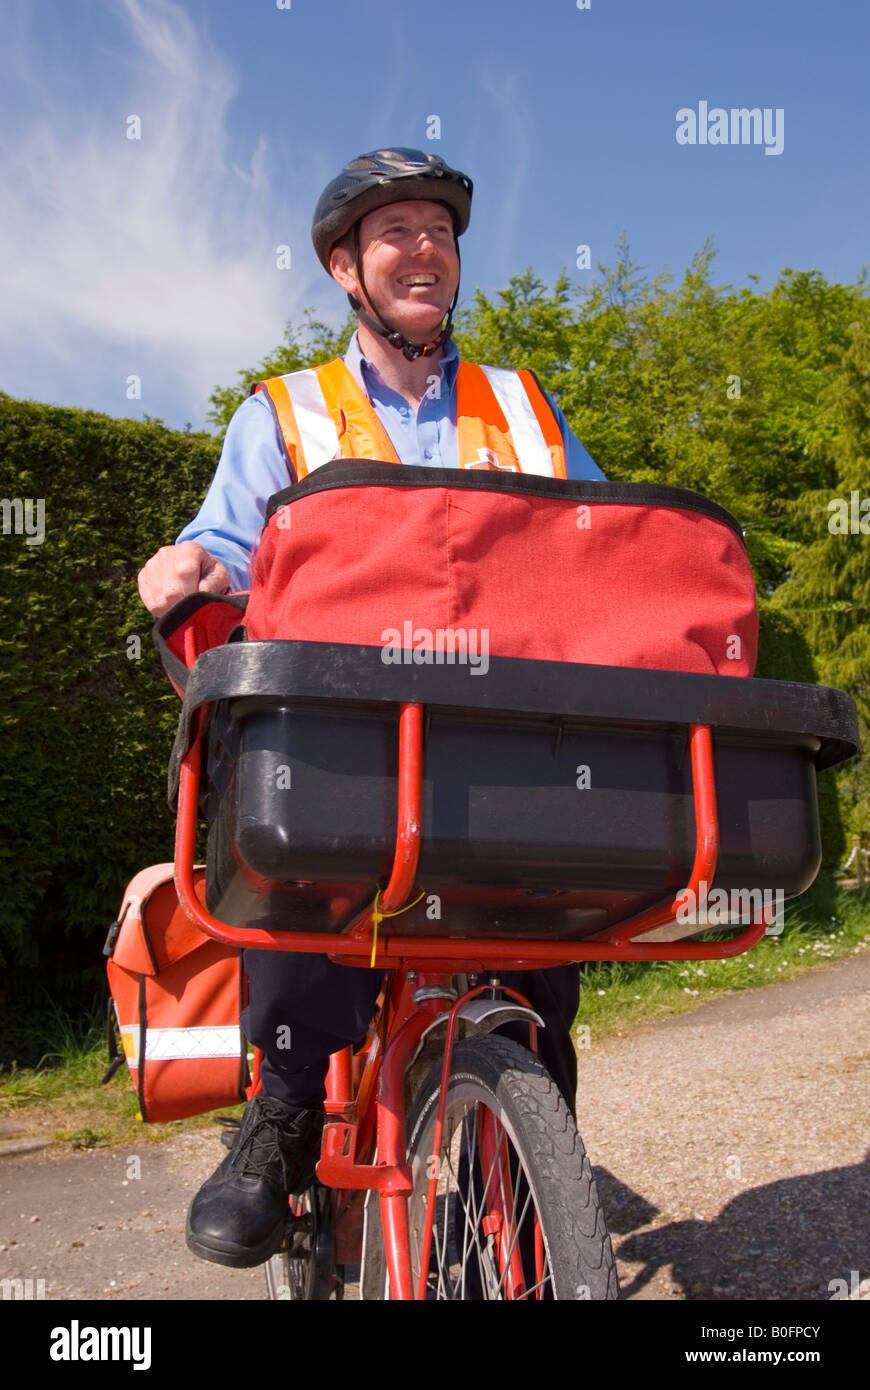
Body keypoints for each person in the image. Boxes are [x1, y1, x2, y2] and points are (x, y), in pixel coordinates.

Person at [138, 148, 606, 1269]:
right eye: (394, 231)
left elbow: (605, 548)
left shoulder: (524, 405)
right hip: (347, 743)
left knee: (543, 967)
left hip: (502, 740)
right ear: (347, 268)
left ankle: (532, 1156)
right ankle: (284, 1115)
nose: (424, 247)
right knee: (293, 855)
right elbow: (223, 547)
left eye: (439, 230)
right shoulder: (285, 411)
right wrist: (189, 569)